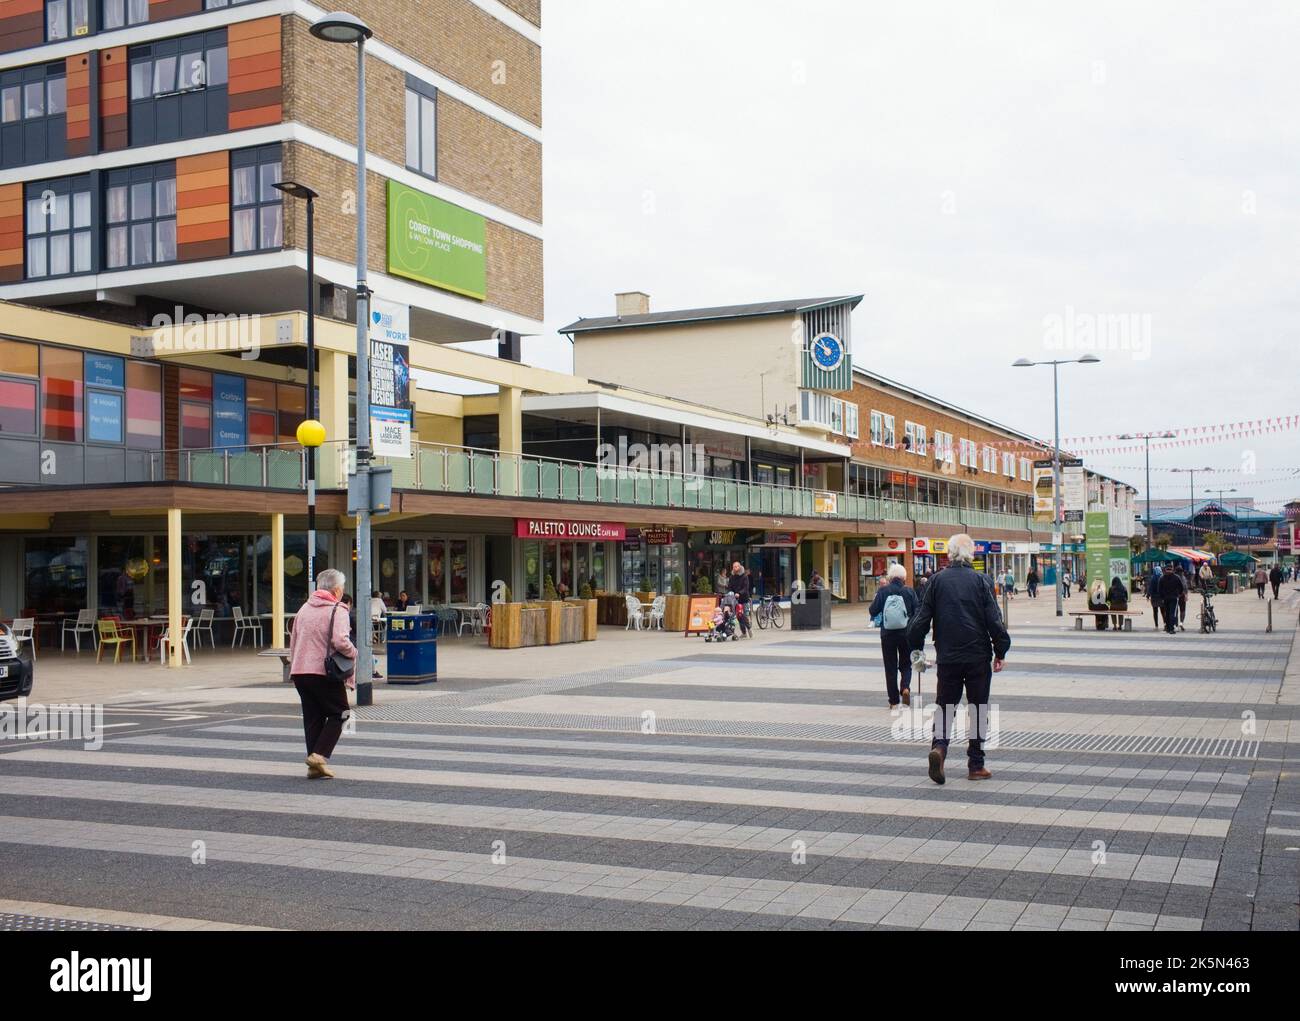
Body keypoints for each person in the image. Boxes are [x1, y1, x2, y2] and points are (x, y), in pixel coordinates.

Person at [906, 533, 1011, 785]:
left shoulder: (936, 581)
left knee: (945, 706)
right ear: (970, 554)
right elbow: (994, 620)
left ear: (949, 554)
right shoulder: (981, 580)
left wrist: (917, 651)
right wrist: (1001, 650)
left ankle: (939, 749)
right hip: (977, 656)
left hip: (948, 656)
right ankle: (976, 764)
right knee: (977, 708)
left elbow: (919, 621)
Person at [288, 569, 357, 779]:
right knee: (342, 713)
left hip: (300, 671)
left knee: (313, 717)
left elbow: (294, 639)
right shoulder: (338, 609)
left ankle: (314, 766)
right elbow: (340, 641)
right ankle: (319, 755)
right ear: (336, 589)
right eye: (342, 588)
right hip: (323, 671)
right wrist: (354, 652)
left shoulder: (304, 609)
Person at [869, 563, 919, 709]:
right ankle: (905, 688)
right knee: (906, 664)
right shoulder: (909, 592)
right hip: (906, 634)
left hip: (888, 635)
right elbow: (917, 613)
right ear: (904, 577)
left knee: (890, 667)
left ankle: (893, 701)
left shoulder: (884, 591)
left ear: (890, 577)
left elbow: (873, 610)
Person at [342, 594, 382, 680]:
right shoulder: (353, 613)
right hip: (353, 641)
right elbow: (359, 629)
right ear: (349, 603)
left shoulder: (338, 612)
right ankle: (373, 672)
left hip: (346, 641)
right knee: (368, 651)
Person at [727, 561, 752, 638]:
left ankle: (749, 628)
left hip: (743, 598)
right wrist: (730, 593)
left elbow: (746, 588)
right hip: (735, 599)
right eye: (733, 567)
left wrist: (739, 593)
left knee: (743, 615)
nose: (735, 568)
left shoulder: (744, 576)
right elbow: (730, 587)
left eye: (736, 567)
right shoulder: (732, 577)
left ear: (739, 567)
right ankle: (744, 633)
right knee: (738, 616)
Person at [1158, 566, 1184, 635]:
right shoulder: (1176, 577)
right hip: (1174, 598)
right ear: (1172, 570)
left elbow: (1159, 589)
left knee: (1167, 613)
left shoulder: (1162, 578)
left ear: (1165, 570)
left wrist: (1162, 597)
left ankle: (1168, 628)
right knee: (1172, 613)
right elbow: (1181, 587)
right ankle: (1171, 629)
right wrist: (1179, 594)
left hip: (1165, 598)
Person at [1148, 566, 1164, 630]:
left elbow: (1150, 588)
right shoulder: (1162, 577)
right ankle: (1165, 624)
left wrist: (1148, 595)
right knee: (1163, 611)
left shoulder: (1153, 578)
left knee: (1155, 612)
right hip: (1161, 597)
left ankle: (1156, 626)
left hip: (1154, 598)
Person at [1176, 567, 1189, 631]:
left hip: (1175, 596)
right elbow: (1186, 587)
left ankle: (1175, 624)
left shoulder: (1174, 577)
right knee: (1183, 610)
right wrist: (1186, 595)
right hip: (1182, 595)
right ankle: (1181, 623)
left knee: (1175, 610)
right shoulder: (1183, 578)